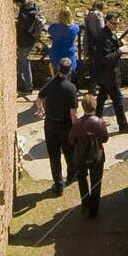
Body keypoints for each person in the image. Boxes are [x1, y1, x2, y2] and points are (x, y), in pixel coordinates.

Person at [38, 58, 79, 193]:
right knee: (69, 150)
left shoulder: (49, 83)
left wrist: (41, 109)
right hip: (65, 124)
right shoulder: (71, 88)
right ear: (69, 71)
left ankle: (58, 184)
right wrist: (76, 128)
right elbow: (73, 113)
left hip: (50, 124)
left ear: (58, 69)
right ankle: (72, 175)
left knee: (54, 155)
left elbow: (39, 98)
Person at [68, 93, 110, 217]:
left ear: (83, 107)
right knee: (96, 183)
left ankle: (85, 203)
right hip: (96, 156)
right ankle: (94, 210)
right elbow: (105, 139)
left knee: (82, 179)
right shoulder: (100, 122)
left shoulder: (77, 124)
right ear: (95, 106)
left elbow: (71, 139)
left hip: (80, 157)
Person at [90, 12, 128, 132]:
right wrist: (120, 51)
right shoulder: (104, 37)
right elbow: (106, 58)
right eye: (114, 23)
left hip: (105, 74)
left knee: (102, 98)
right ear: (107, 22)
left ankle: (96, 121)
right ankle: (123, 126)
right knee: (118, 99)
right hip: (109, 74)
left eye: (118, 23)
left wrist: (119, 43)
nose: (116, 26)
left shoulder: (109, 33)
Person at [14, 0, 44, 96]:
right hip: (32, 39)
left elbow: (21, 29)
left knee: (24, 63)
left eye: (16, 4)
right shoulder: (33, 6)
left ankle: (27, 86)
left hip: (24, 41)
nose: (16, 6)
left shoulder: (23, 14)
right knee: (23, 62)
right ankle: (25, 84)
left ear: (19, 2)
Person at [47, 6, 80, 76]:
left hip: (57, 57)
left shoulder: (54, 27)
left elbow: (49, 30)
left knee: (57, 80)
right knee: (68, 80)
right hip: (69, 57)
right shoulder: (75, 28)